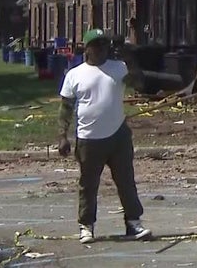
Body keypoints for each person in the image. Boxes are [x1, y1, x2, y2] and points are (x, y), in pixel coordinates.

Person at [57, 28, 152, 244]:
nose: (101, 49)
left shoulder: (118, 68)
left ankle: (133, 223)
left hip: (118, 136)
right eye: (96, 45)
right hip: (89, 139)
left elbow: (139, 84)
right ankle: (86, 225)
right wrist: (63, 135)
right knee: (88, 184)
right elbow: (65, 108)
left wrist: (130, 59)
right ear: (87, 48)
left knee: (126, 181)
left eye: (104, 45)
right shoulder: (75, 75)